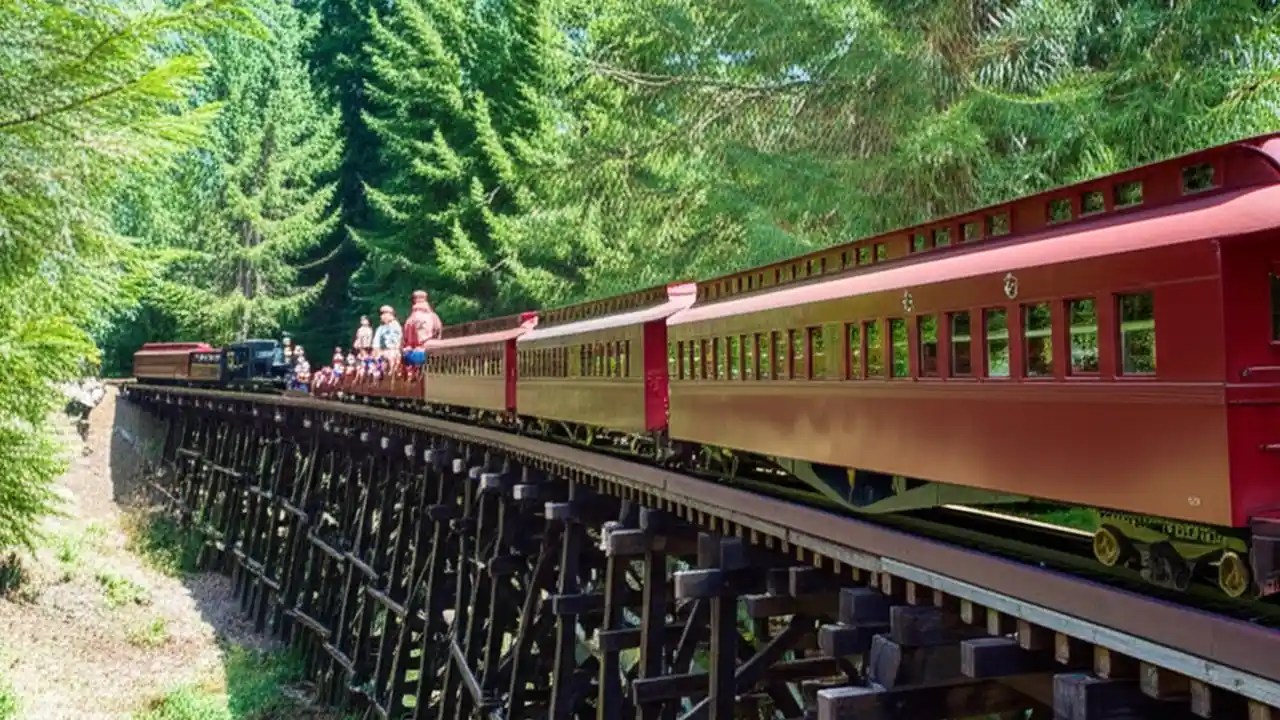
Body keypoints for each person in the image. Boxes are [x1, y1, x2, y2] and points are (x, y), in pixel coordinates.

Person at [402, 290, 442, 369]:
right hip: (431, 349)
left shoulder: (410, 319)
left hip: (414, 352)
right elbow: (438, 331)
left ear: (414, 300)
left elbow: (406, 337)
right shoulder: (433, 316)